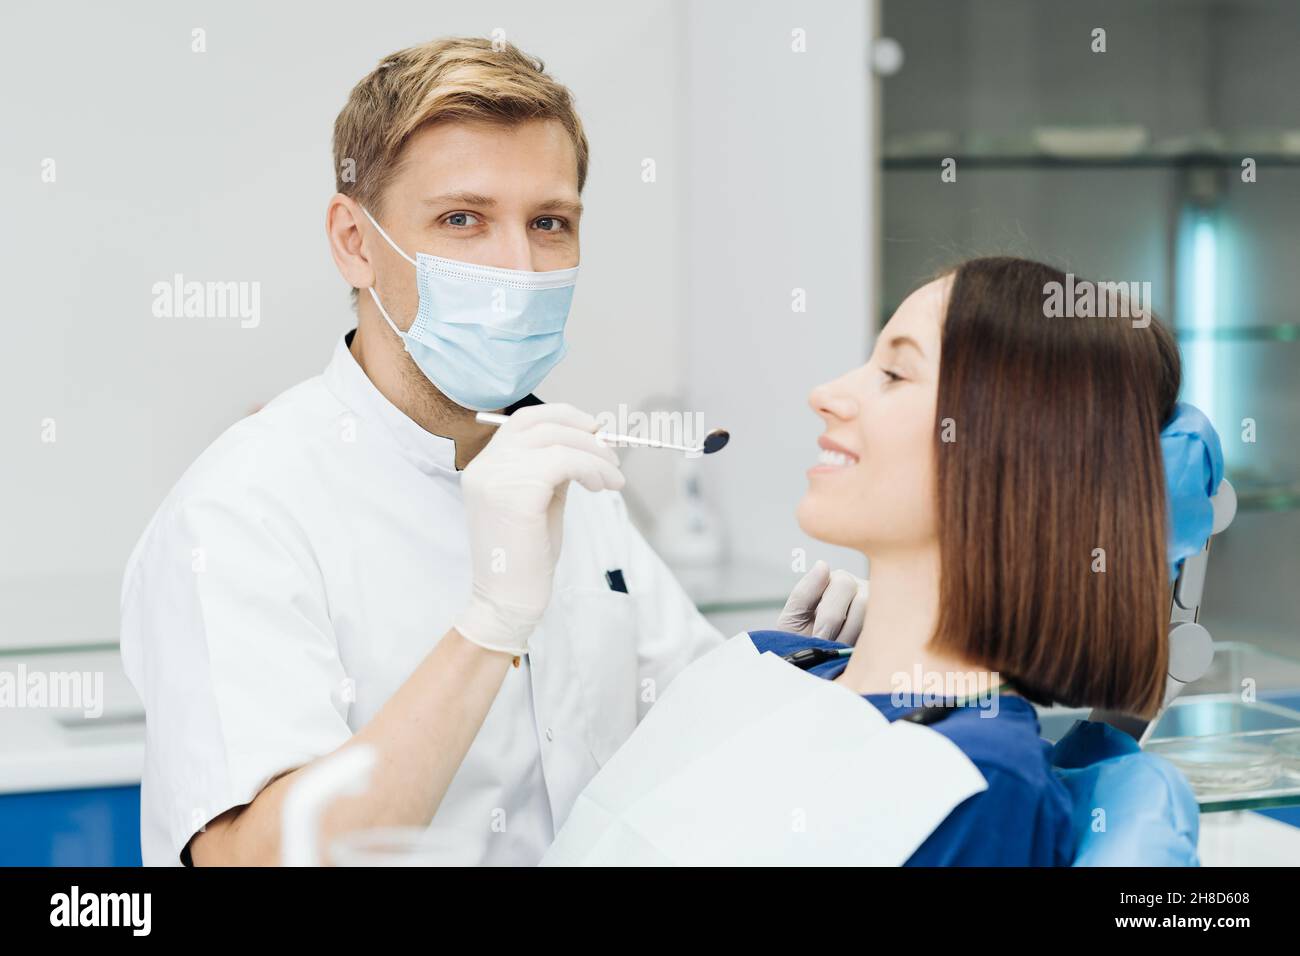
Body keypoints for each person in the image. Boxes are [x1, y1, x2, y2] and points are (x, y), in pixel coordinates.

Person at [118, 37, 864, 867]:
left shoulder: (574, 480)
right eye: (462, 219)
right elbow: (256, 859)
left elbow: (674, 752)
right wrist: (491, 623)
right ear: (355, 242)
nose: (517, 268)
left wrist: (782, 681)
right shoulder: (239, 511)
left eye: (549, 223)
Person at [547, 256, 1185, 866]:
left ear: (1013, 449)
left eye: (894, 374)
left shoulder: (979, 783)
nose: (825, 394)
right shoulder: (781, 658)